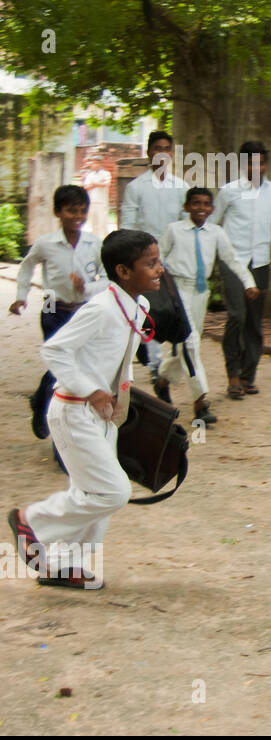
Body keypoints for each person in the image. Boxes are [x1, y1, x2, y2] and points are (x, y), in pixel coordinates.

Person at [7, 229, 163, 589]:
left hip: (105, 415)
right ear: (124, 271)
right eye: (150, 263)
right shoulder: (101, 309)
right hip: (74, 411)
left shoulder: (139, 306)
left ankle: (60, 566)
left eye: (158, 261)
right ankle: (30, 520)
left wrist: (119, 399)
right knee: (112, 492)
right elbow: (54, 350)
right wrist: (92, 390)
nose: (159, 269)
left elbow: (116, 360)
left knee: (89, 494)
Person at [9, 185, 107, 439]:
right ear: (57, 212)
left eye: (82, 210)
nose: (77, 215)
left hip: (83, 310)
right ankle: (43, 407)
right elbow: (26, 268)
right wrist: (21, 297)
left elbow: (107, 279)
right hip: (54, 309)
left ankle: (52, 405)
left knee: (76, 364)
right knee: (59, 363)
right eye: (70, 210)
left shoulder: (94, 244)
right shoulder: (46, 244)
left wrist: (88, 287)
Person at [156, 187, 259, 425]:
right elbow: (158, 258)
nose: (200, 208)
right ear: (186, 207)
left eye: (205, 204)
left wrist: (248, 283)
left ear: (212, 209)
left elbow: (232, 259)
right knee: (190, 344)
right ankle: (200, 401)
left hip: (201, 293)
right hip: (178, 290)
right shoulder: (174, 230)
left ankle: (162, 381)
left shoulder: (216, 233)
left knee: (188, 345)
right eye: (195, 203)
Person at [212, 140, 271, 400]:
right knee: (237, 315)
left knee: (254, 322)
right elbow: (213, 224)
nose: (255, 167)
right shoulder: (228, 191)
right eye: (250, 162)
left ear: (266, 164)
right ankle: (233, 375)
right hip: (232, 261)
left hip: (260, 261)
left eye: (260, 162)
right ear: (242, 164)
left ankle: (248, 376)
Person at [119, 131, 188, 379]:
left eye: (167, 149)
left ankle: (175, 362)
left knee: (178, 311)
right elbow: (127, 226)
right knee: (148, 312)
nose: (162, 153)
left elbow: (186, 226)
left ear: (172, 154)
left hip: (175, 262)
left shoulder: (182, 188)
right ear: (149, 152)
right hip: (145, 262)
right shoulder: (136, 188)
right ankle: (155, 366)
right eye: (157, 148)